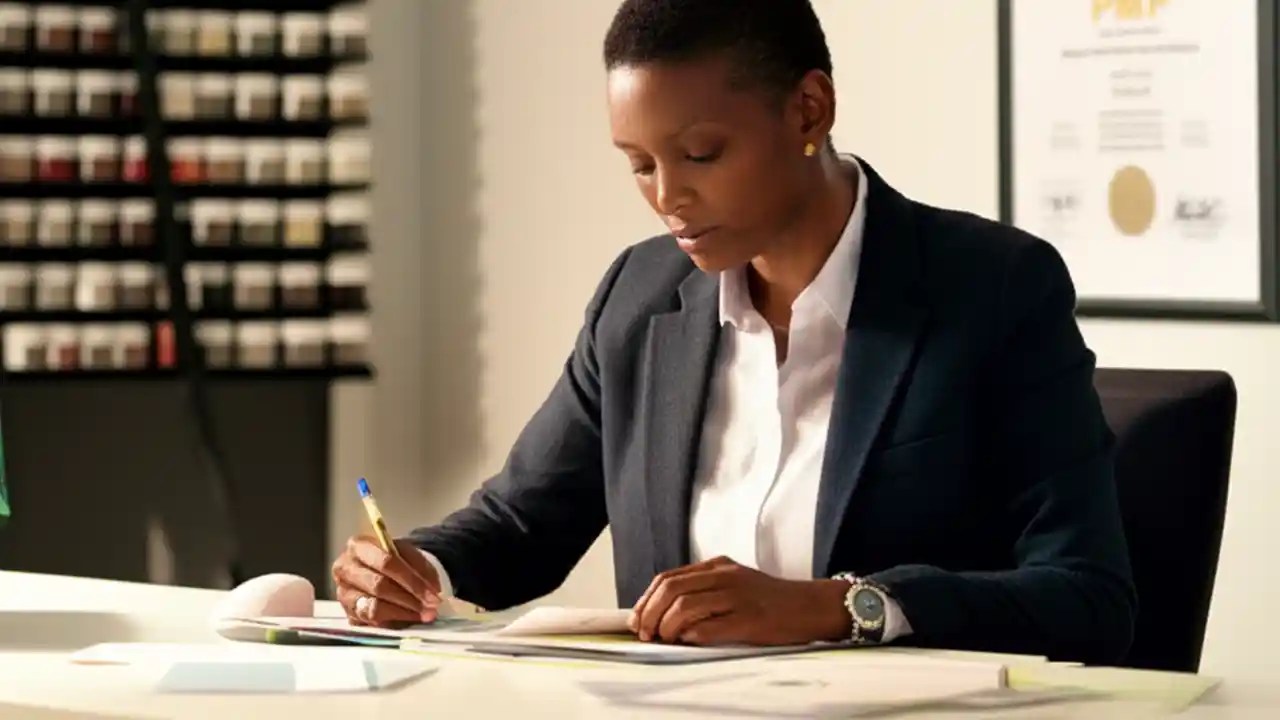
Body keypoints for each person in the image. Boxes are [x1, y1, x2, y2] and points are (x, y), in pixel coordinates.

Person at [331, 0, 1137, 664]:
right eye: (640, 164)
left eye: (701, 154)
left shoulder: (993, 290)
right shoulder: (639, 297)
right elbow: (521, 524)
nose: (666, 197)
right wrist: (414, 568)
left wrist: (837, 607)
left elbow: (1087, 595)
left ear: (809, 110)